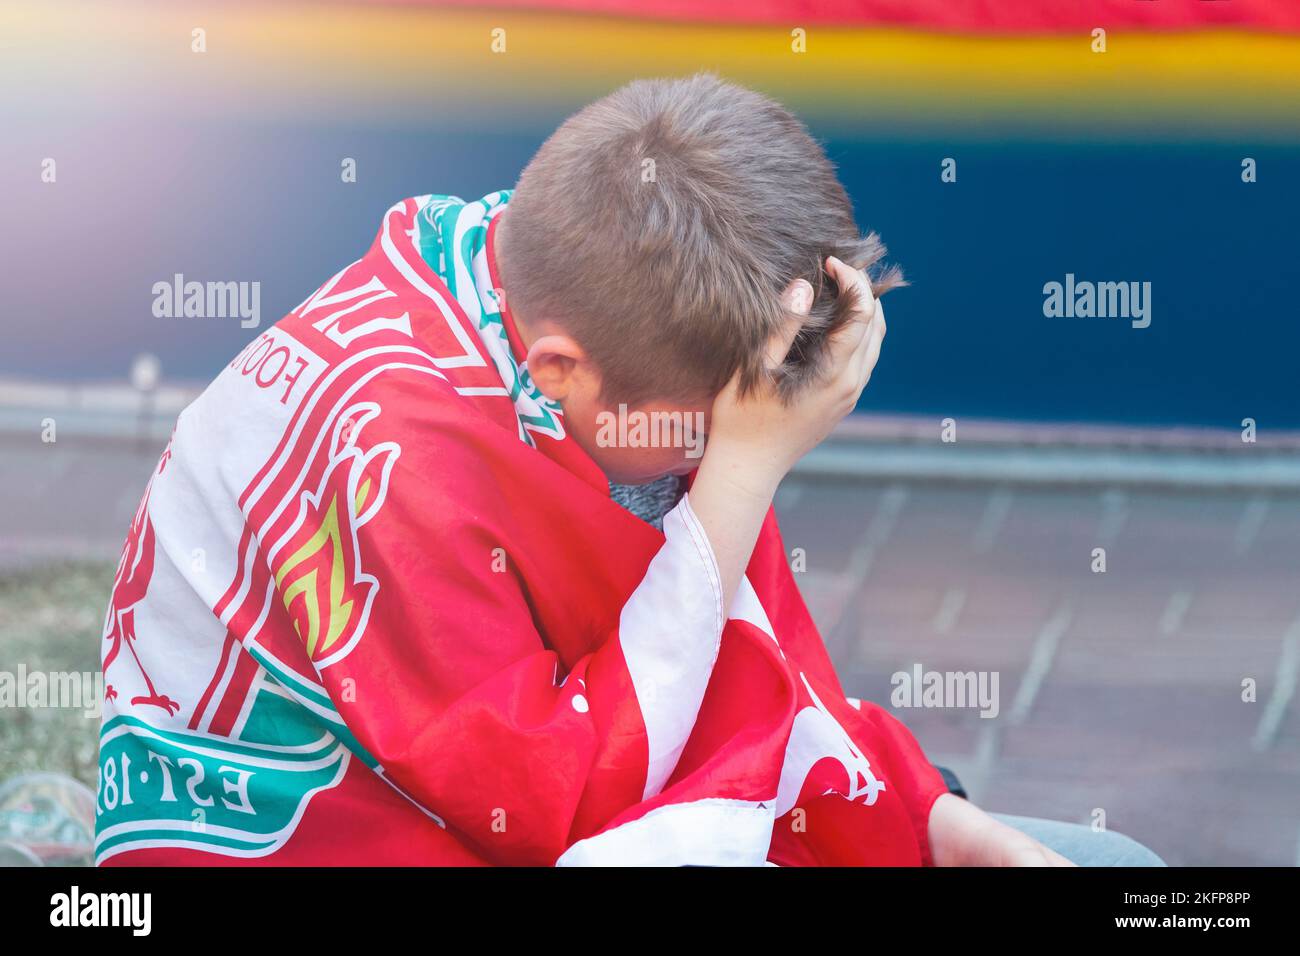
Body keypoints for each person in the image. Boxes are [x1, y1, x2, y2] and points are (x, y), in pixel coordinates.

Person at [95, 74, 1161, 866]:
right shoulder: (397, 460)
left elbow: (716, 655)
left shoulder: (564, 303)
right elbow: (545, 806)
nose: (719, 465)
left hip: (509, 774)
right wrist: (739, 471)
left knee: (1103, 865)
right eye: (709, 438)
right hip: (326, 834)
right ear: (563, 371)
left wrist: (939, 820)